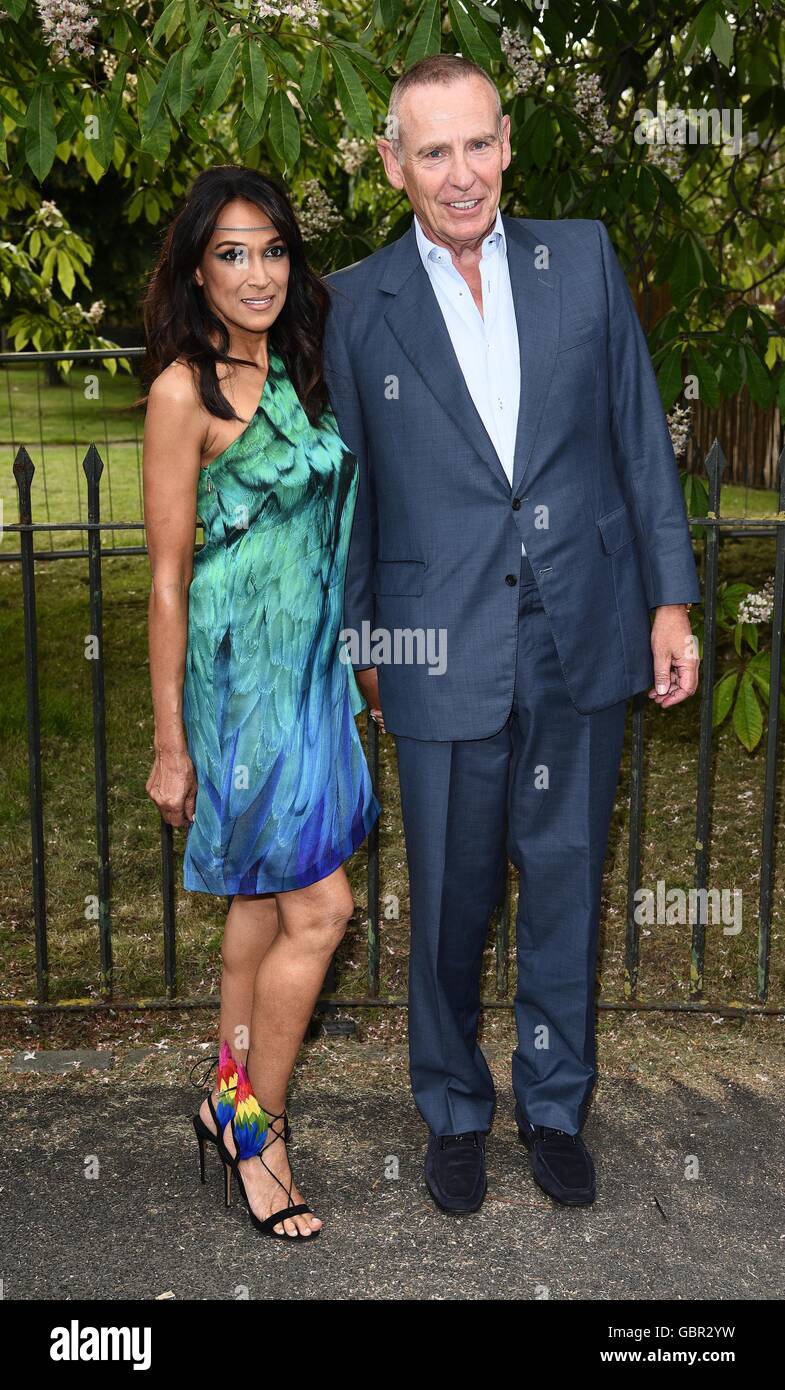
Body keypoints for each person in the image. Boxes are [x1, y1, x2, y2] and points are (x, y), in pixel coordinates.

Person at [323, 56, 700, 1214]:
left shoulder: (577, 257)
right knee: (445, 895)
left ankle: (552, 1102)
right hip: (434, 648)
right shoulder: (350, 302)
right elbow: (349, 499)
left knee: (565, 876)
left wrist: (669, 599)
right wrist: (363, 654)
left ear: (505, 145)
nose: (458, 174)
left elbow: (638, 436)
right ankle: (449, 1104)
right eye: (429, 152)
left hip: (580, 627)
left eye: (475, 145)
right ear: (392, 165)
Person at [142, 166, 380, 1239]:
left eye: (272, 250)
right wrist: (169, 742)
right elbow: (163, 576)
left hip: (312, 680)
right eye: (230, 253)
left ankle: (223, 1094)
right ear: (197, 268)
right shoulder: (182, 392)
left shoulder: (299, 365)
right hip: (240, 693)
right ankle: (257, 1131)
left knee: (258, 906)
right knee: (321, 909)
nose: (256, 272)